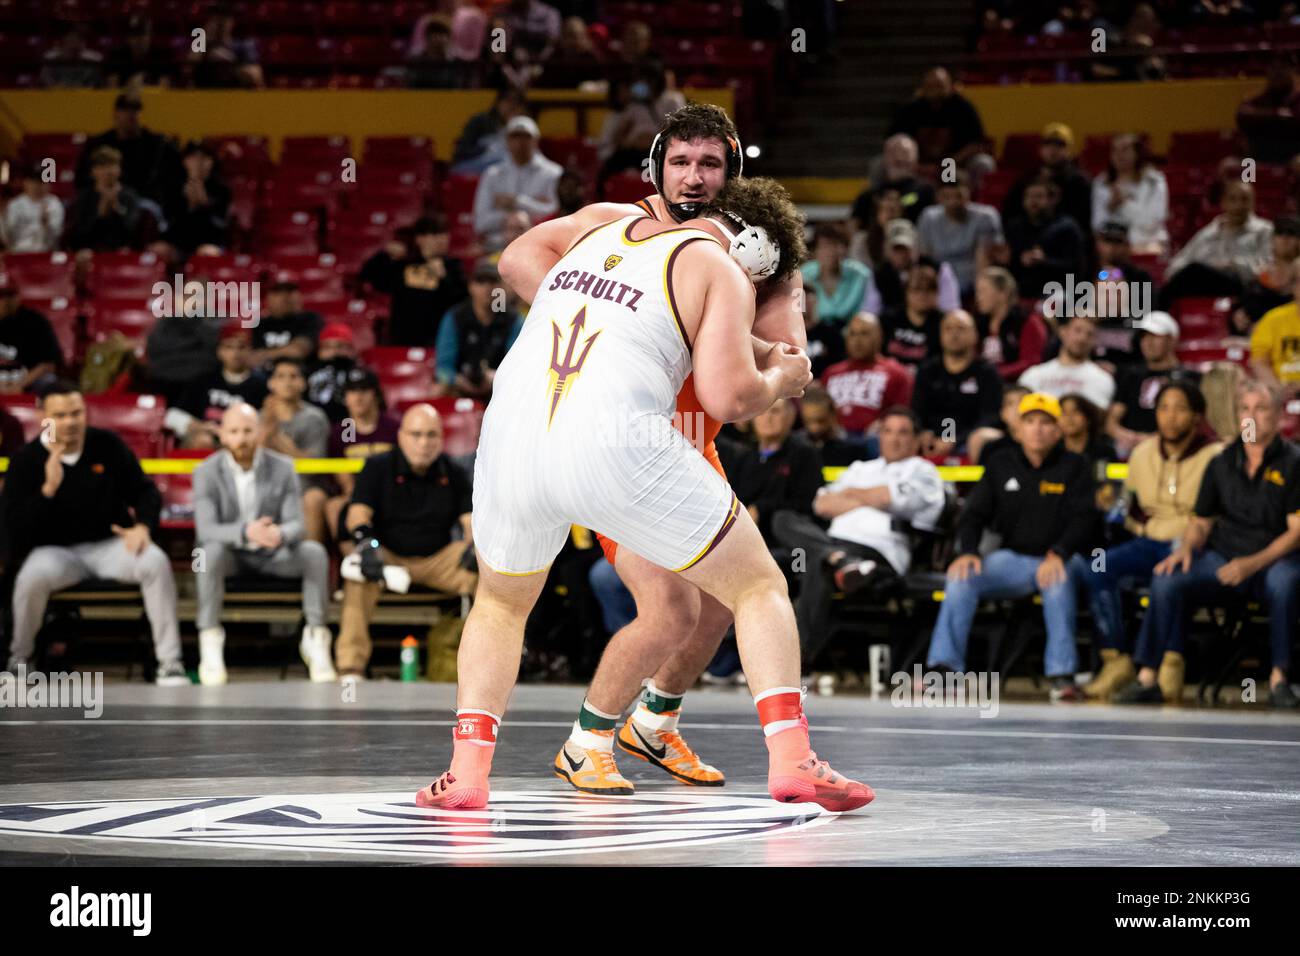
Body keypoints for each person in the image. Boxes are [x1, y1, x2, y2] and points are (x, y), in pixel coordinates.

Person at [421, 176, 871, 812]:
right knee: (756, 587)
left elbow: (526, 261)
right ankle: (792, 759)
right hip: (616, 442)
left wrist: (759, 344)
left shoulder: (600, 227)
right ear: (759, 253)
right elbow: (730, 398)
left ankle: (468, 772)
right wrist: (778, 378)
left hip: (513, 436)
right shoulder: (720, 267)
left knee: (500, 604)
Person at [484, 106, 810, 794]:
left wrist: (769, 296)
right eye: (681, 162)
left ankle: (654, 725)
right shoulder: (617, 221)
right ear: (657, 166)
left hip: (698, 443)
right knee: (671, 608)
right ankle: (587, 740)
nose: (693, 178)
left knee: (724, 603)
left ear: (733, 173)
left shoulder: (752, 253)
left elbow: (791, 359)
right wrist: (606, 313)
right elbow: (516, 258)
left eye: (710, 164)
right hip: (622, 441)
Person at [1121, 382, 1300, 708]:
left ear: (1277, 416)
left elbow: (1296, 532)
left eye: (1260, 409)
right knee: (1167, 577)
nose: (1252, 417)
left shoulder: (1293, 462)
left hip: (1273, 559)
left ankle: (1280, 679)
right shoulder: (1221, 462)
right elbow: (1201, 521)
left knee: (1286, 583)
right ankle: (1148, 676)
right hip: (1223, 557)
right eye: (1244, 409)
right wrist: (1186, 548)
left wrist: (1250, 564)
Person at [2, 381, 186, 685]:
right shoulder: (27, 460)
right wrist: (47, 490)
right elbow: (16, 526)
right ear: (42, 417)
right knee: (31, 577)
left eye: (77, 413)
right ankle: (20, 659)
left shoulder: (107, 445)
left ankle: (169, 662)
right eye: (60, 415)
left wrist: (142, 527)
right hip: (55, 552)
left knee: (155, 561)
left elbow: (145, 492)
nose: (70, 422)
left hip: (110, 545)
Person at [925, 392, 1094, 701]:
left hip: (1063, 558)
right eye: (1030, 421)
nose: (1038, 429)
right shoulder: (1001, 463)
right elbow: (972, 515)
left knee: (1056, 581)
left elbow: (1085, 520)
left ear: (1058, 430)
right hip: (1015, 559)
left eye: (1046, 422)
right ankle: (945, 669)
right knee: (961, 577)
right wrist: (969, 551)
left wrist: (1060, 552)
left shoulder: (1077, 466)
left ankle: (1062, 675)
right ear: (1018, 428)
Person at [1077, 381, 1221, 700]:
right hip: (1149, 540)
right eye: (1164, 408)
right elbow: (1131, 507)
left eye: (1181, 409)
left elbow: (1218, 512)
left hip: (1192, 542)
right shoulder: (1141, 453)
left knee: (1168, 574)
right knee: (1097, 568)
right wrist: (1113, 509)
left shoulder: (1215, 455)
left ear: (1198, 416)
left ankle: (1170, 664)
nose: (1170, 417)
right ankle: (1115, 660)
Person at [776, 406, 945, 664]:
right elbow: (821, 504)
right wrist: (874, 497)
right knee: (782, 521)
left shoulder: (923, 471)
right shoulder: (861, 468)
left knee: (819, 563)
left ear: (916, 439)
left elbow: (892, 498)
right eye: (887, 431)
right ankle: (838, 558)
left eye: (903, 432)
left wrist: (853, 495)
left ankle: (795, 660)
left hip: (878, 553)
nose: (894, 438)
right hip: (834, 544)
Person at [192, 404, 334, 684]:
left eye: (247, 430)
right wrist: (246, 531)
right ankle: (209, 639)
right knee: (206, 553)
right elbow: (206, 529)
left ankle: (316, 636)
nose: (241, 438)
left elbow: (298, 524)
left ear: (259, 432)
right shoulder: (205, 471)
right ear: (222, 434)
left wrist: (278, 534)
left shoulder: (283, 467)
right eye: (233, 431)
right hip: (231, 556)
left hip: (274, 554)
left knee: (314, 553)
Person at [337, 404, 477, 680]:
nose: (424, 443)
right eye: (416, 435)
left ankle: (479, 664)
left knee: (488, 575)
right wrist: (367, 544)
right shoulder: (377, 467)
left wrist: (475, 547)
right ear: (401, 436)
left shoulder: (453, 471)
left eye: (431, 435)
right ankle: (351, 666)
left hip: (438, 558)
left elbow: (469, 520)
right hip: (388, 555)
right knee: (357, 574)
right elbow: (357, 513)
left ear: (441, 438)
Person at [720, 398, 822, 544]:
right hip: (744, 535)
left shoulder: (805, 453)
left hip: (786, 538)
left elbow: (805, 504)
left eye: (775, 411)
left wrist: (761, 509)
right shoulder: (743, 456)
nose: (767, 418)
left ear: (790, 416)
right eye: (761, 412)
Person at [1159, 181, 1273, 308]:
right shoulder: (1208, 233)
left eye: (1244, 199)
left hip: (1243, 286)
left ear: (1253, 203)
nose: (1238, 205)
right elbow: (1176, 266)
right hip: (1205, 285)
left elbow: (1268, 268)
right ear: (1223, 203)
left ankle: (1153, 313)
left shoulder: (1264, 231)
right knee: (1149, 281)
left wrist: (1232, 265)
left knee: (1194, 270)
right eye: (1233, 199)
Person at [361, 216, 468, 348]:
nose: (441, 239)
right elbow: (367, 277)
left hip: (437, 341)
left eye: (444, 234)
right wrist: (384, 254)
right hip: (402, 340)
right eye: (434, 234)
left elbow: (462, 303)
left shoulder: (453, 266)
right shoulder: (404, 265)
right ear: (419, 238)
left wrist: (444, 278)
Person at [911, 309, 1003, 459]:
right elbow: (917, 410)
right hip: (930, 442)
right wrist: (922, 432)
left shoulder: (987, 373)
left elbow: (990, 417)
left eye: (961, 328)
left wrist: (954, 441)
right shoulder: (927, 371)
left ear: (975, 335)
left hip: (968, 443)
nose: (954, 334)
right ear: (940, 336)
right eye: (948, 329)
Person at [1106, 311, 1200, 457]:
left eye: (1155, 336)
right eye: (1144, 336)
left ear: (1172, 340)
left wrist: (1155, 439)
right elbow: (1112, 420)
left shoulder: (1189, 379)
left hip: (1171, 447)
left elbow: (1193, 423)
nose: (1148, 342)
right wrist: (1124, 435)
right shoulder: (1130, 375)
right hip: (1129, 447)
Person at [323, 368, 400, 546]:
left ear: (376, 394)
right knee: (334, 507)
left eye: (364, 390)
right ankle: (352, 563)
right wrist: (353, 491)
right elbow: (339, 469)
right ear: (345, 397)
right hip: (354, 493)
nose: (358, 397)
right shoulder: (343, 430)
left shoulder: (392, 427)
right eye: (352, 391)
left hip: (390, 491)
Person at [167, 322, 268, 449]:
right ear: (219, 351)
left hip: (243, 443)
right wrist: (200, 426)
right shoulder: (203, 381)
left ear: (250, 350)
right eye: (229, 347)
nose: (235, 353)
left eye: (241, 347)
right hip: (207, 439)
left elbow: (265, 423)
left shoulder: (262, 385)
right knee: (202, 440)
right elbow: (172, 416)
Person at [434, 260, 524, 400]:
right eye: (480, 282)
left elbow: (517, 368)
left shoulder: (513, 320)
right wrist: (458, 380)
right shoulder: (455, 317)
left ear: (501, 287)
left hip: (500, 389)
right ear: (470, 287)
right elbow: (443, 369)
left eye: (492, 282)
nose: (487, 289)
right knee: (440, 388)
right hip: (460, 388)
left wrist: (494, 377)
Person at [472, 115, 562, 250]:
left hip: (540, 243)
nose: (520, 142)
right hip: (496, 244)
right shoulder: (492, 174)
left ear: (535, 140)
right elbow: (480, 222)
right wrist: (515, 218)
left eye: (526, 137)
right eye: (515, 136)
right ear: (507, 141)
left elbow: (557, 214)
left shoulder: (553, 173)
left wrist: (516, 202)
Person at [75, 93, 182, 206]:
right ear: (115, 114)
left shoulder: (159, 145)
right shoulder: (99, 144)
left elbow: (174, 178)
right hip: (104, 200)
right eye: (125, 110)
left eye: (135, 110)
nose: (130, 115)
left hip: (146, 204)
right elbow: (82, 179)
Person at [822, 313, 913, 438]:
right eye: (852, 334)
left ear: (879, 337)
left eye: (864, 334)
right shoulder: (831, 373)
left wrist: (883, 424)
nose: (857, 341)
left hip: (875, 439)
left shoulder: (897, 373)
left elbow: (901, 414)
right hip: (835, 439)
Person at [887, 66, 991, 174]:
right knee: (879, 163)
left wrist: (949, 163)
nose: (935, 91)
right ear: (923, 87)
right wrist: (911, 162)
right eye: (930, 85)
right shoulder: (910, 109)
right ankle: (886, 190)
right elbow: (893, 140)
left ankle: (965, 189)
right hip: (916, 166)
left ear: (950, 86)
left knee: (983, 162)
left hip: (954, 164)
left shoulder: (963, 108)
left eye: (939, 85)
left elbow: (976, 143)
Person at [1001, 123, 1093, 240]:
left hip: (1063, 239)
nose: (1053, 149)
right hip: (1028, 237)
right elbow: (1010, 212)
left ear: (1070, 150)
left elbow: (1082, 221)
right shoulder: (1027, 179)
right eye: (1048, 144)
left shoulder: (1080, 182)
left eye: (1060, 145)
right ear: (1040, 149)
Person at [917, 172, 1003, 296]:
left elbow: (983, 260)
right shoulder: (928, 217)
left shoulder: (986, 217)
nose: (953, 202)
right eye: (947, 197)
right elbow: (924, 257)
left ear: (968, 194)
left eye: (959, 196)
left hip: (971, 280)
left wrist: (980, 292)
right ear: (938, 197)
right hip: (938, 280)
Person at [1002, 176, 1086, 297]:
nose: (1033, 202)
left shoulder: (1067, 227)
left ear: (1052, 200)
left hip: (1058, 289)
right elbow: (1011, 263)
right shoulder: (1015, 227)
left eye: (1039, 197)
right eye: (1028, 196)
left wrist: (1045, 261)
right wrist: (1017, 259)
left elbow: (1075, 266)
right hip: (1022, 289)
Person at [862, 218, 961, 316]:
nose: (901, 255)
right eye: (896, 249)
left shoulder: (939, 270)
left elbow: (951, 311)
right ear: (886, 249)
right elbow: (870, 313)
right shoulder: (879, 274)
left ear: (916, 246)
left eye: (906, 248)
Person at [1091, 133, 1169, 255]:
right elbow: (1097, 224)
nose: (1119, 155)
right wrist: (1110, 207)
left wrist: (1124, 204)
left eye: (1125, 150)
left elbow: (1152, 221)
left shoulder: (1154, 181)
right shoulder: (1101, 183)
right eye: (1115, 150)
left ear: (1137, 153)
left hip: (1147, 243)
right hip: (1112, 247)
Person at [1018, 314, 1116, 410]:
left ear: (1095, 340)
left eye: (1089, 334)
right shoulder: (1034, 375)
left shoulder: (1101, 379)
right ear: (1063, 332)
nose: (1082, 338)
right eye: (1077, 330)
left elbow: (1096, 418)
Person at [68, 146, 151, 253]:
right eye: (102, 166)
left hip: (122, 252)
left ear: (119, 169)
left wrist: (116, 209)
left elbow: (133, 232)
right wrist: (100, 213)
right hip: (91, 251)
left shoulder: (130, 196)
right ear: (93, 171)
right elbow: (78, 234)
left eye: (112, 165)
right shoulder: (84, 197)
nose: (108, 171)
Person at [973, 266, 1048, 381]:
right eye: (977, 292)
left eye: (983, 291)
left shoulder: (1027, 322)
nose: (978, 298)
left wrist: (997, 373)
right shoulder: (979, 323)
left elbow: (1032, 361)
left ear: (1003, 293)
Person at [800, 222, 875, 328]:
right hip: (813, 334)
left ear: (844, 249)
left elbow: (869, 313)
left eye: (836, 245)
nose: (831, 252)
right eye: (825, 246)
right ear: (815, 251)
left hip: (851, 335)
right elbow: (795, 311)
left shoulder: (861, 275)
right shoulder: (803, 274)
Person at [162, 141, 230, 258]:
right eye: (193, 158)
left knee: (207, 253)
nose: (198, 164)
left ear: (212, 162)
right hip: (178, 241)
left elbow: (220, 224)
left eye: (204, 158)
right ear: (184, 162)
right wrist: (190, 205)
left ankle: (198, 276)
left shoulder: (221, 190)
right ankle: (178, 277)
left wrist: (203, 203)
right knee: (161, 251)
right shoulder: (174, 187)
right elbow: (168, 219)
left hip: (208, 240)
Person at [852, 134, 935, 227]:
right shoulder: (867, 197)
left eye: (905, 153)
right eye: (893, 152)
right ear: (884, 158)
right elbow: (853, 227)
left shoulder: (927, 192)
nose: (899, 158)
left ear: (916, 158)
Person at [1233, 215, 1299, 332]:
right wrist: (1238, 316)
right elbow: (1242, 312)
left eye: (1291, 233)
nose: (1284, 237)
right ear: (1272, 240)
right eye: (1280, 233)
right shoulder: (1258, 277)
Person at [1236, 55, 1300, 165]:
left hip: (1293, 160)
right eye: (1273, 68)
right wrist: (1278, 115)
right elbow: (1242, 115)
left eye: (1283, 68)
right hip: (1258, 159)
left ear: (1293, 70)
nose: (1277, 73)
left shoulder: (1297, 99)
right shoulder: (1256, 100)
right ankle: (1247, 182)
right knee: (1231, 167)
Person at [0, 281, 61, 395]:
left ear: (17, 298)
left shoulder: (35, 322)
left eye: (8, 296)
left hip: (26, 381)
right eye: (2, 297)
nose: (4, 302)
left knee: (47, 382)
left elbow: (47, 365)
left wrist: (19, 385)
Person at [1249, 268, 1300, 405]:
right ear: (1293, 287)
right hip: (1280, 394)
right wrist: (1278, 390)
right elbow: (1259, 362)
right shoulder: (1273, 320)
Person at [879, 264, 945, 369]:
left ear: (937, 294)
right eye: (917, 289)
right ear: (906, 293)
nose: (923, 295)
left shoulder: (944, 323)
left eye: (929, 289)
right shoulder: (888, 319)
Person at [451, 87, 528, 175]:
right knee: (506, 161)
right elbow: (462, 150)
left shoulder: (524, 126)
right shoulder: (480, 121)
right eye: (508, 102)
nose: (511, 106)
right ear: (498, 103)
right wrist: (486, 149)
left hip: (503, 166)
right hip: (469, 164)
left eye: (517, 104)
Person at [248, 281, 323, 367]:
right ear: (268, 299)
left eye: (289, 292)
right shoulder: (260, 323)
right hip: (265, 376)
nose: (284, 297)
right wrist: (286, 350)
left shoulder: (310, 318)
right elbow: (253, 358)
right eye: (277, 293)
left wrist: (266, 354)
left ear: (299, 297)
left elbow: (298, 351)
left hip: (300, 375)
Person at [797, 384, 871, 467]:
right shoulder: (795, 447)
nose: (814, 428)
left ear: (833, 415)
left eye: (821, 421)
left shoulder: (855, 448)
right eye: (808, 422)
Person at [1, 163, 64, 253]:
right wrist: (3, 218)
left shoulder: (54, 204)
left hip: (45, 254)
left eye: (42, 181)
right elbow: (7, 239)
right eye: (34, 181)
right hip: (18, 253)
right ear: (25, 182)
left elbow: (55, 240)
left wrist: (46, 224)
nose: (37, 185)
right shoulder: (15, 205)